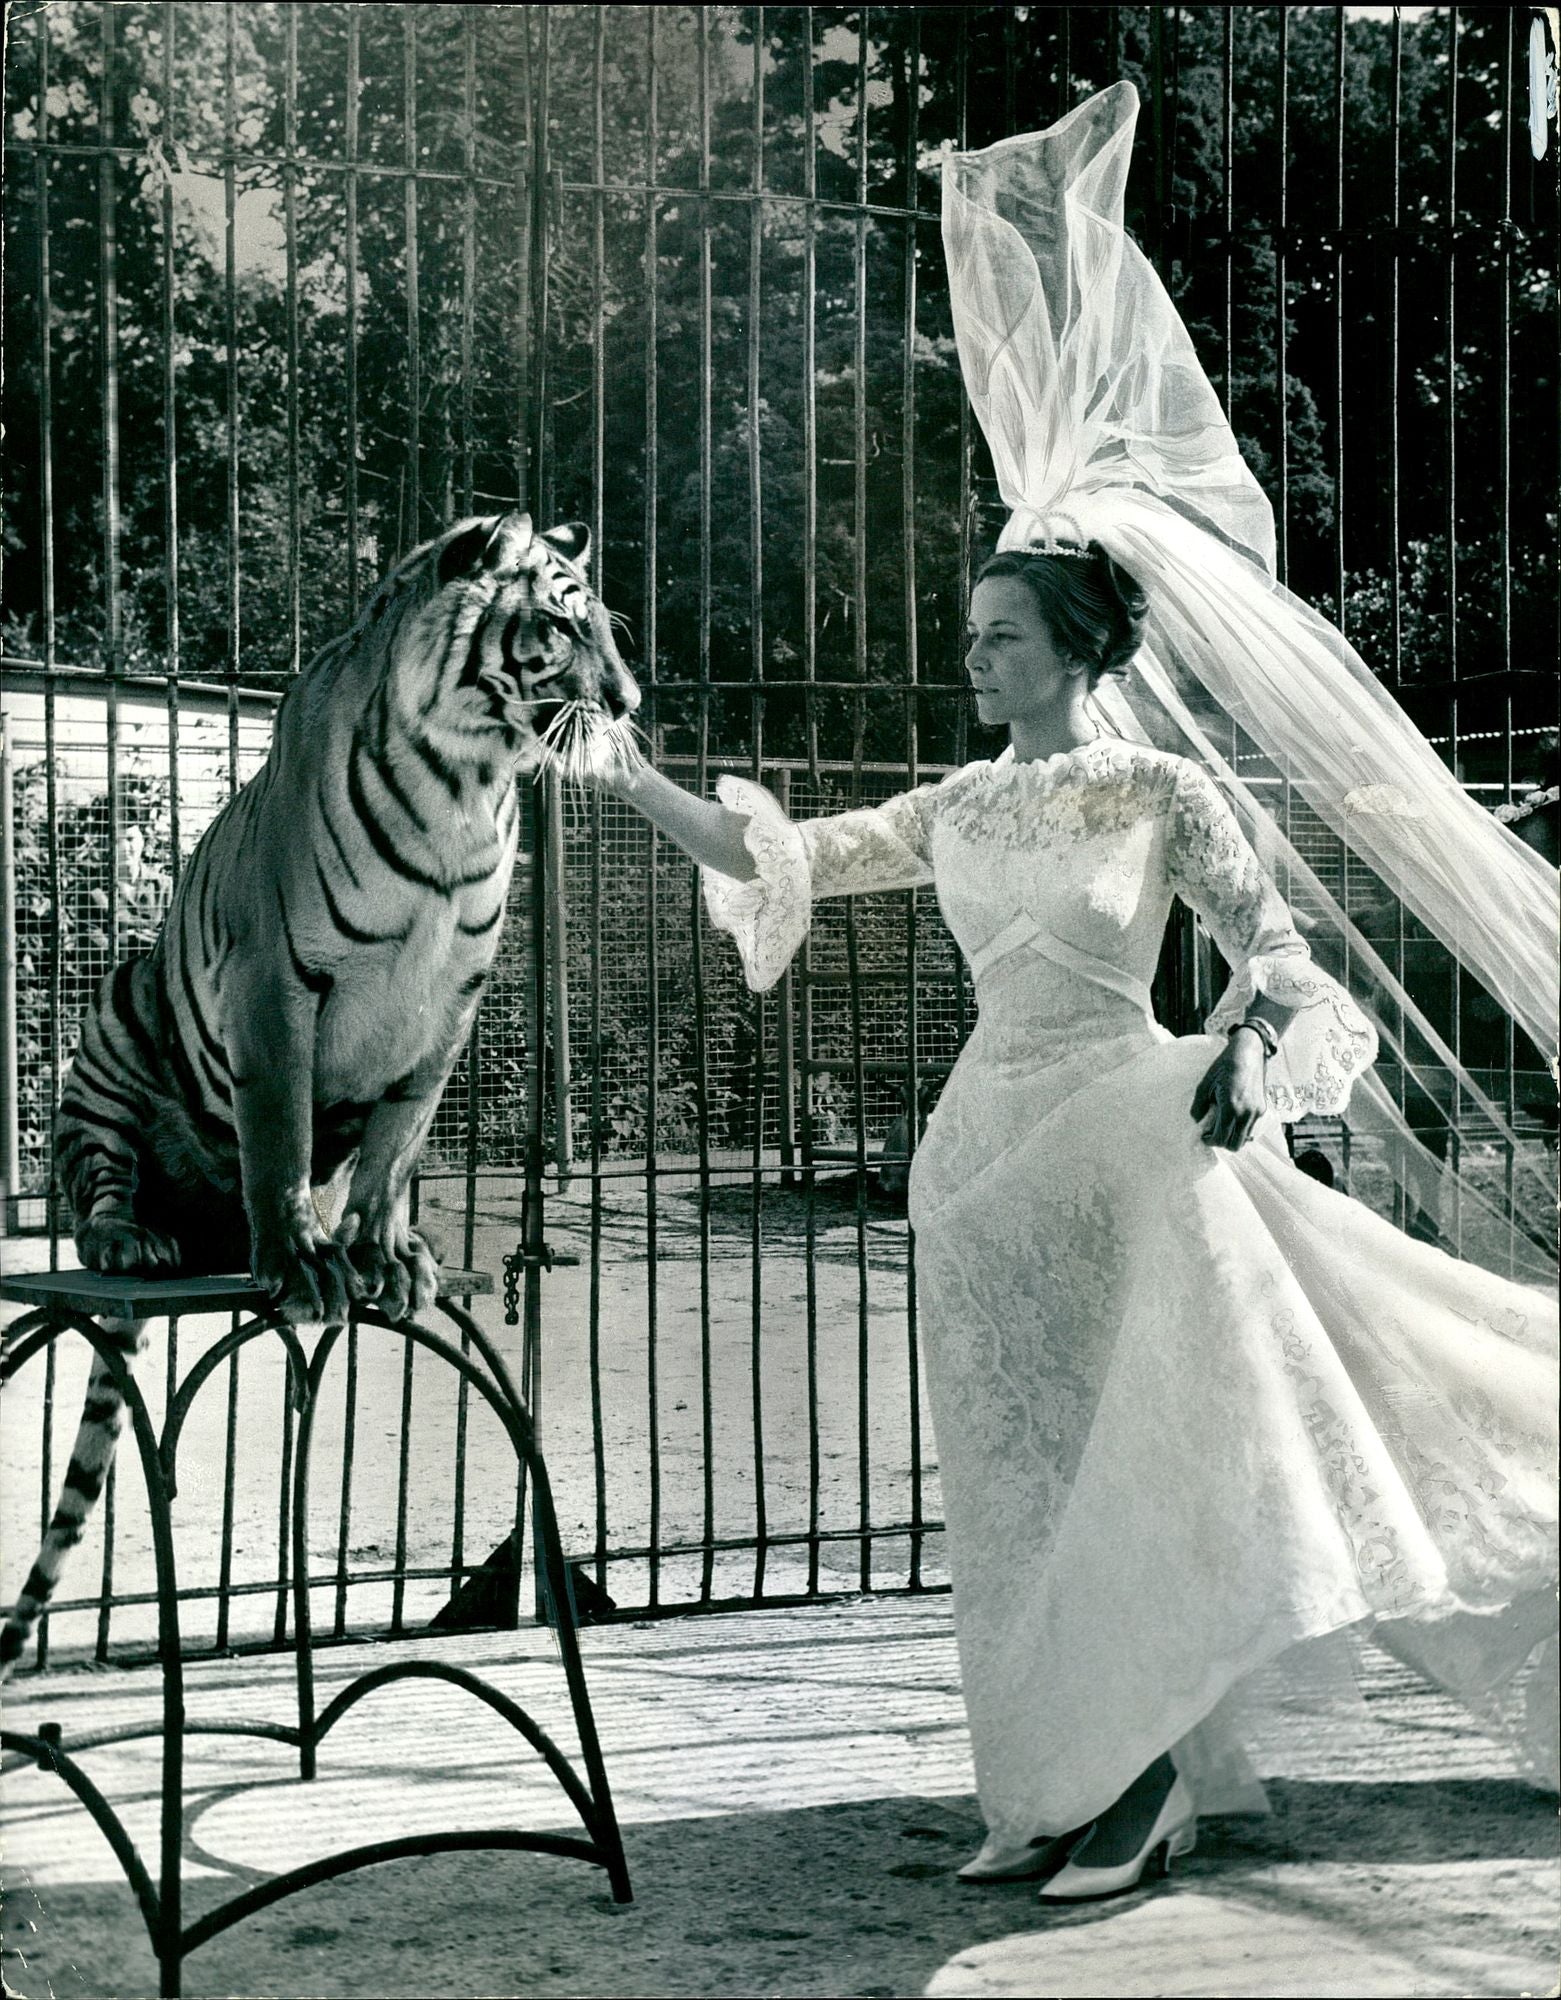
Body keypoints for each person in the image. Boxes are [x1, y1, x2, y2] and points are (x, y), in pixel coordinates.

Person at [607, 83, 1560, 1902]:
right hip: (983, 1167)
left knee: (1144, 1476)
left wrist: (1252, 1058)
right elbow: (785, 855)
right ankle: (1065, 1782)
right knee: (1028, 1486)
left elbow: (1278, 959)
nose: (968, 654)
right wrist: (639, 779)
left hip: (1134, 1142)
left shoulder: (1158, 790)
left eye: (995, 634)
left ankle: (1134, 1794)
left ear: (1074, 651)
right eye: (966, 636)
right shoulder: (960, 800)